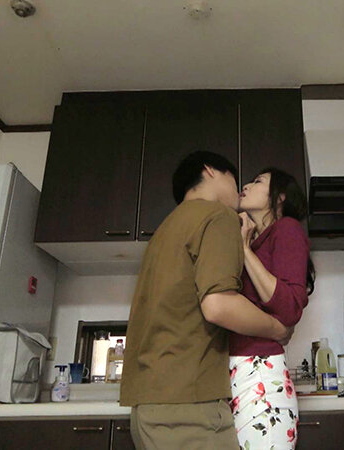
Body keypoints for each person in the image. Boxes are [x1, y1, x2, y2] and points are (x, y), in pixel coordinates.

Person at [119, 151, 293, 450]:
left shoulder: (165, 230)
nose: (240, 189)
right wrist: (278, 329)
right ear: (210, 170)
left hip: (148, 406)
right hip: (189, 404)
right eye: (235, 179)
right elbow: (218, 305)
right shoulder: (217, 215)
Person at [230, 168, 315, 450]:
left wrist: (245, 251)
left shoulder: (286, 228)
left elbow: (290, 308)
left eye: (258, 181)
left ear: (280, 197)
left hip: (260, 373)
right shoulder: (255, 242)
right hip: (240, 370)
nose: (246, 185)